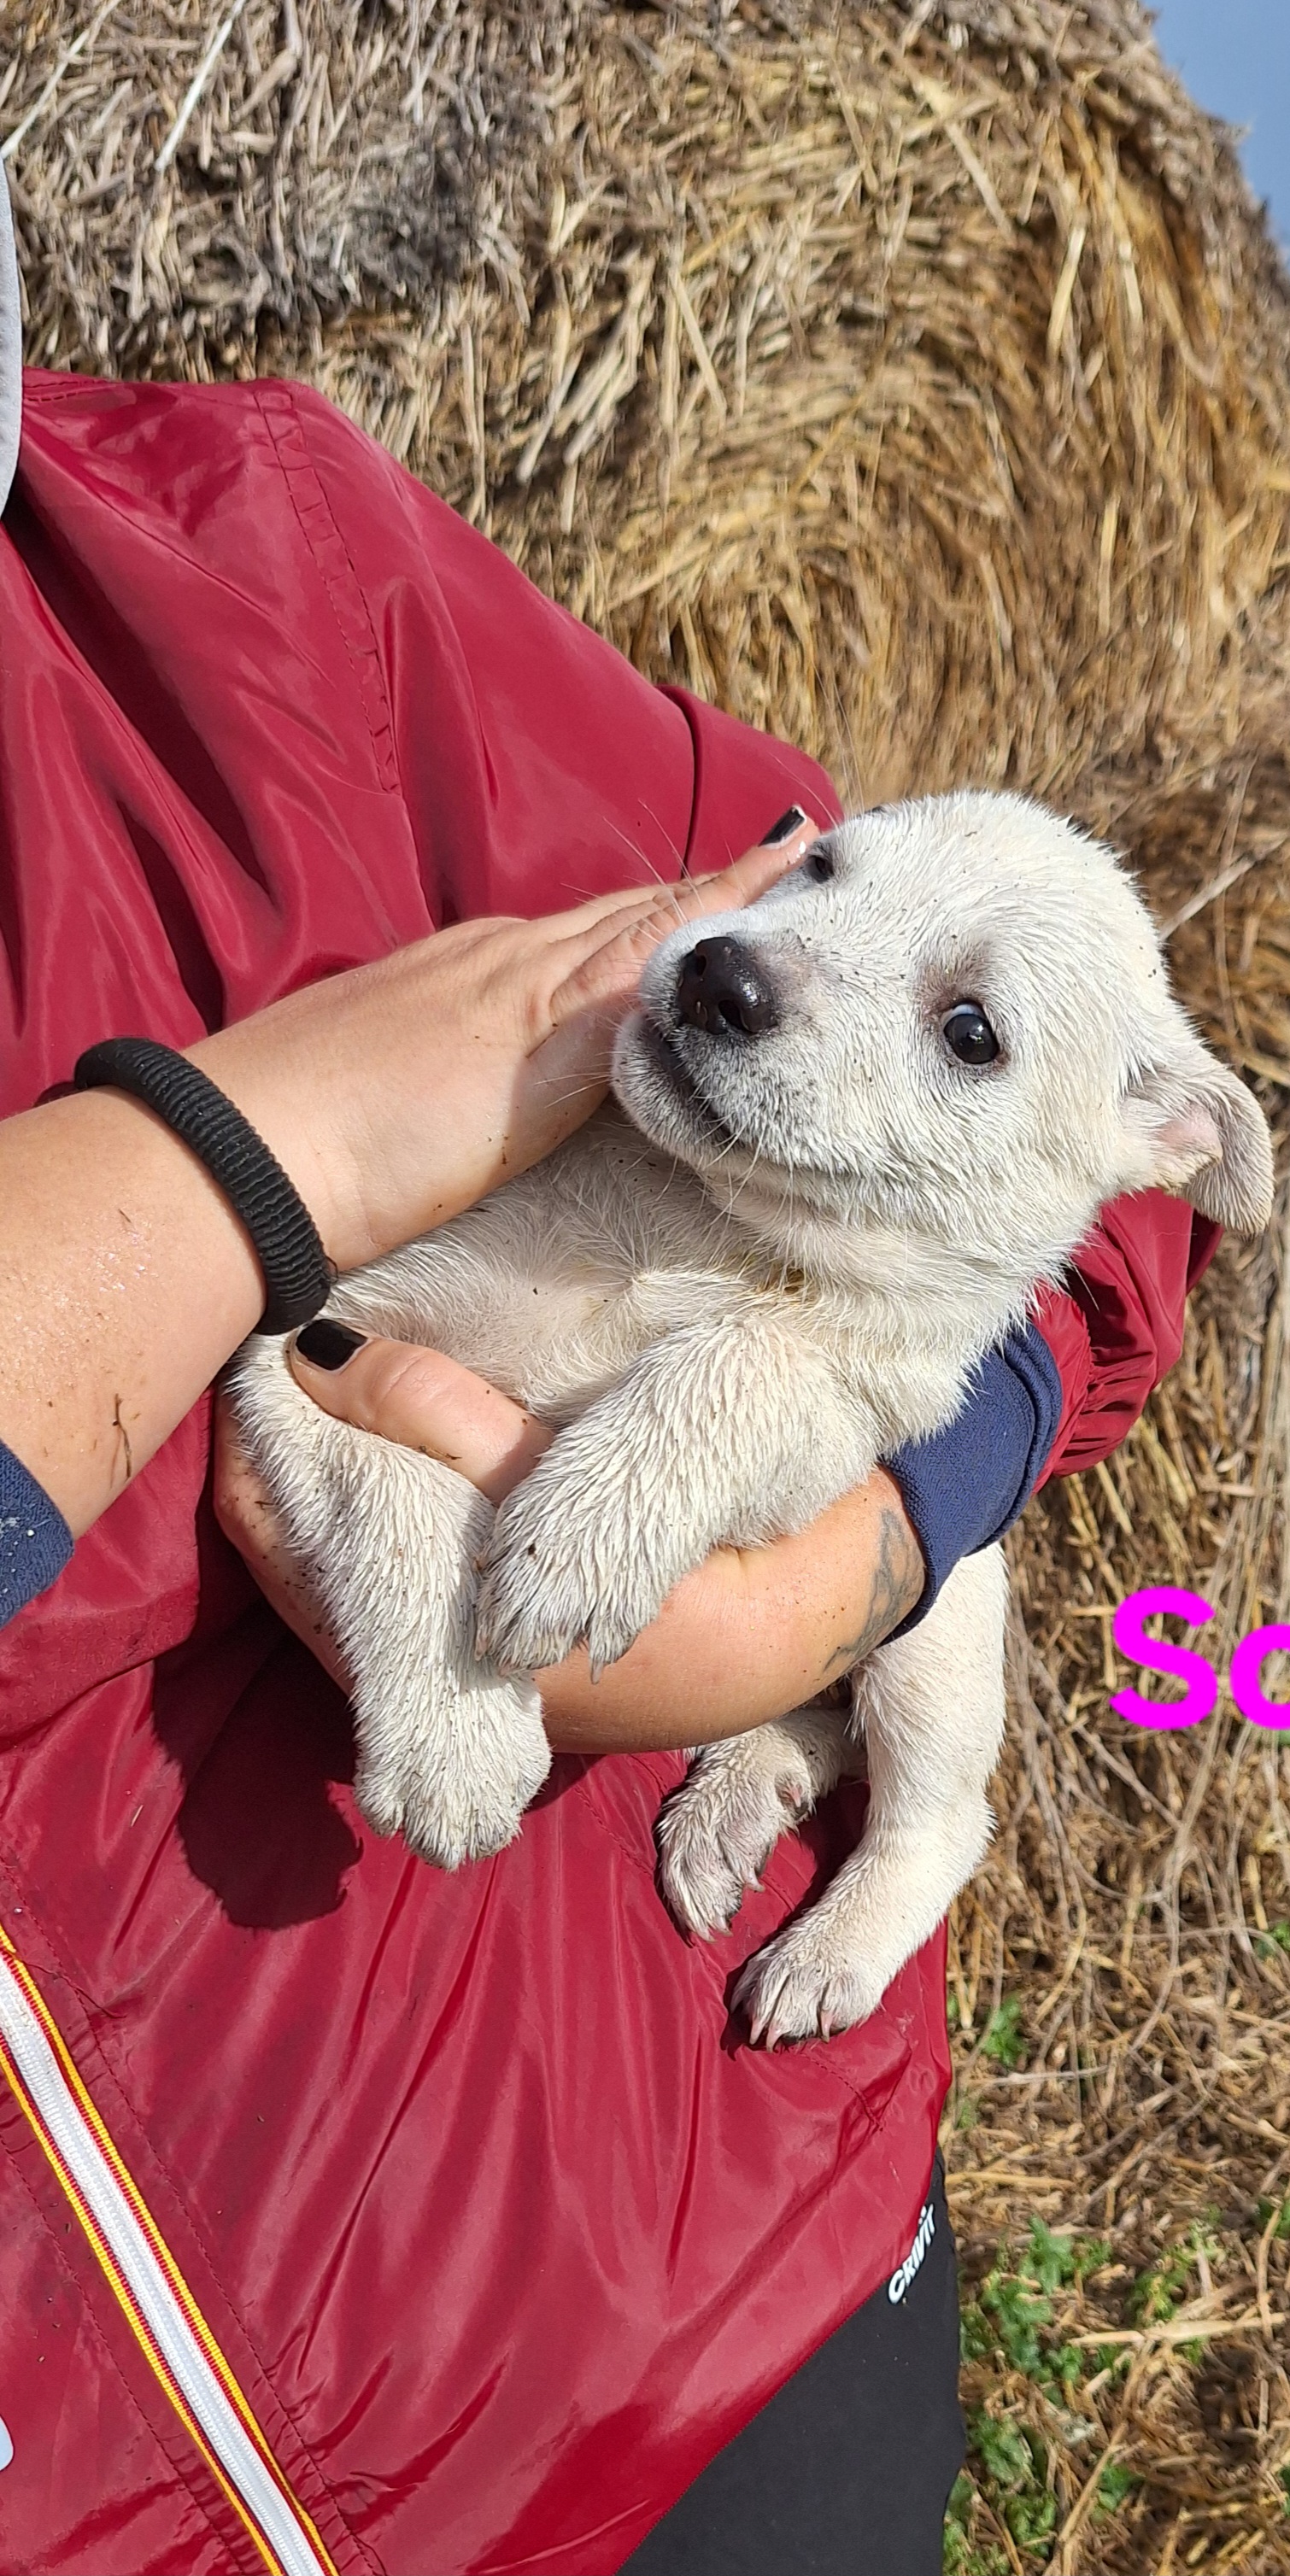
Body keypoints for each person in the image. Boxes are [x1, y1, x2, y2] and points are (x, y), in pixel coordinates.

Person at [0, 178, 1213, 2573]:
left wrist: (858, 1545)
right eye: (817, 897)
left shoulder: (264, 573)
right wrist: (254, 1160)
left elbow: (1080, 1194)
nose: (779, 943)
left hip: (723, 2296)